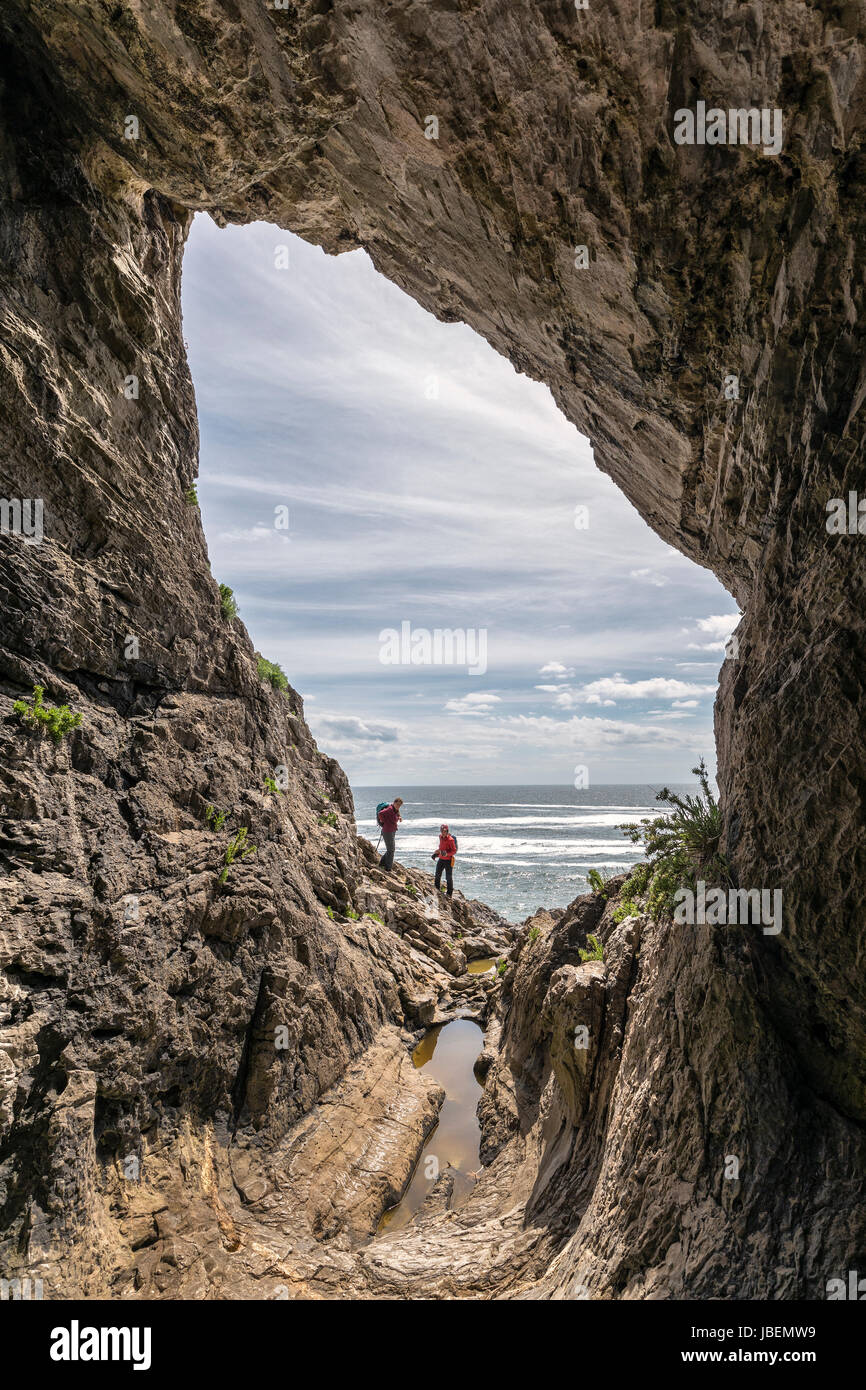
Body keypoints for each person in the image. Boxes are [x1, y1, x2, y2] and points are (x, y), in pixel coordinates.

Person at [431, 822, 458, 898]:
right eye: (442, 831)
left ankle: (449, 894)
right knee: (437, 875)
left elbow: (454, 851)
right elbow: (441, 848)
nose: (443, 832)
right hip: (441, 859)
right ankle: (437, 890)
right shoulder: (440, 837)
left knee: (448, 877)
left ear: (447, 831)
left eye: (445, 831)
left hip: (448, 860)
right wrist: (436, 854)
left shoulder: (451, 840)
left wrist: (447, 854)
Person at [377, 797, 403, 871]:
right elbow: (380, 813)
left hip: (392, 830)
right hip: (387, 831)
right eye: (397, 804)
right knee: (391, 850)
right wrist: (384, 821)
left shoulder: (395, 810)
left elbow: (396, 815)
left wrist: (399, 817)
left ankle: (382, 863)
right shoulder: (390, 809)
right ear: (394, 803)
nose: (398, 806)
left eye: (400, 805)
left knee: (390, 849)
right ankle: (388, 868)